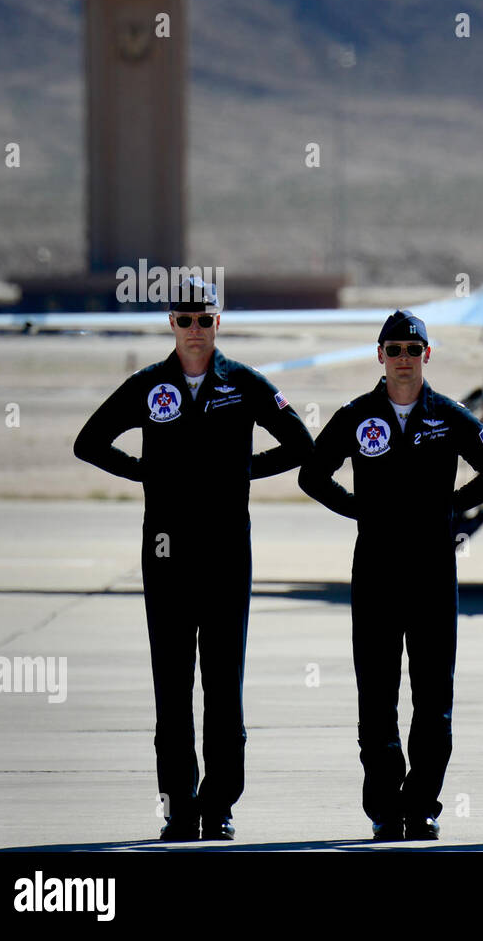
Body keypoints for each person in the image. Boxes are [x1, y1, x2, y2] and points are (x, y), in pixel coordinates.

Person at [73, 278, 313, 841]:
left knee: (224, 685)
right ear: (171, 323)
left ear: (218, 323)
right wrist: (144, 474)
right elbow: (89, 443)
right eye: (185, 320)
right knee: (172, 684)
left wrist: (240, 473)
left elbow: (302, 444)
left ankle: (220, 806)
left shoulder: (244, 384)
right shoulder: (148, 385)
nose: (196, 330)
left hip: (227, 552)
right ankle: (179, 806)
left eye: (205, 320)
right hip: (166, 552)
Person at [298, 311, 483, 841]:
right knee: (377, 694)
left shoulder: (448, 415)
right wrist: (358, 510)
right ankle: (384, 808)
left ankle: (423, 805)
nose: (404, 360)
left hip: (433, 573)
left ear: (427, 356)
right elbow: (311, 474)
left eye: (413, 351)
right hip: (375, 571)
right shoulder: (357, 416)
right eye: (394, 350)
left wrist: (452, 508)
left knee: (434, 698)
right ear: (380, 356)